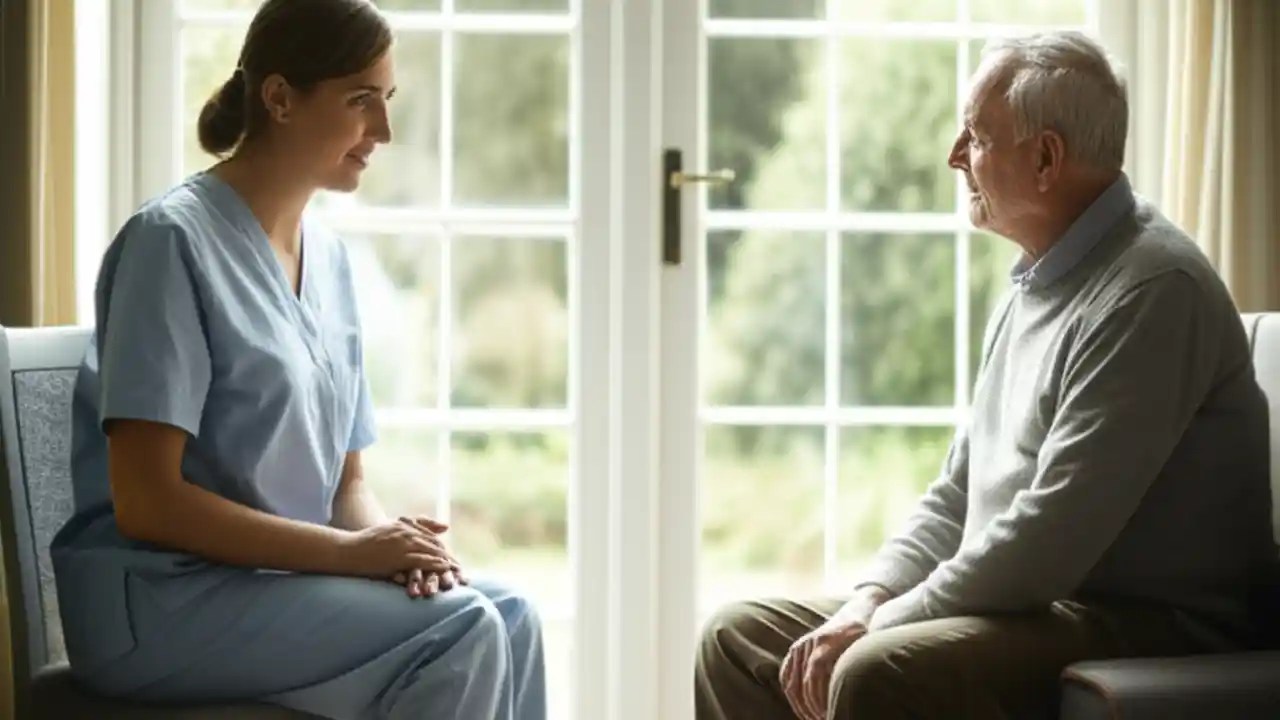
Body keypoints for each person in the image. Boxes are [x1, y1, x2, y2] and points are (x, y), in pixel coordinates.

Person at [695, 30, 1274, 720]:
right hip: (1038, 603)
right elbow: (957, 496)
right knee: (736, 640)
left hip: (1141, 624)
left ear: (1045, 159)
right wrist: (867, 600)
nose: (954, 156)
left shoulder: (1151, 290)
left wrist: (876, 628)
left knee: (876, 669)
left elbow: (1045, 541)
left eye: (975, 136)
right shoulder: (1040, 277)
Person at [50, 1, 546, 717]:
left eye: (388, 100)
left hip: (278, 582)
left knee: (512, 613)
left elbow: (347, 483)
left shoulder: (333, 260)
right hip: (161, 603)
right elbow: (147, 501)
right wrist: (351, 557)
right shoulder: (169, 243)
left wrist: (396, 552)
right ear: (280, 97)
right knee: (460, 630)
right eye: (360, 100)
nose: (383, 130)